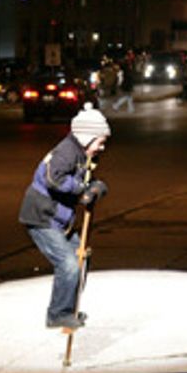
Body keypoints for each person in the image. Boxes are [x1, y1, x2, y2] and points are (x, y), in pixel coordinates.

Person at [19, 103, 110, 329]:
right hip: (41, 217)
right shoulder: (66, 152)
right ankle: (58, 314)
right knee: (69, 264)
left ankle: (70, 307)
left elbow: (84, 180)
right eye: (99, 142)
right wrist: (81, 189)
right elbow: (54, 179)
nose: (102, 147)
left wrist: (95, 187)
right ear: (87, 138)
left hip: (59, 219)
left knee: (81, 257)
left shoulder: (83, 154)